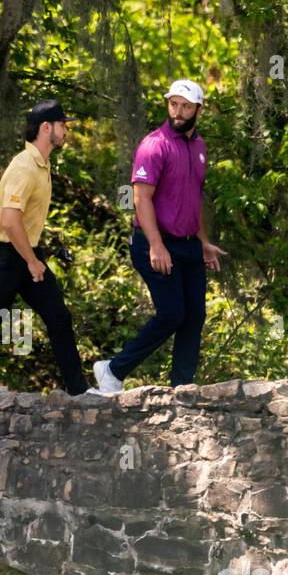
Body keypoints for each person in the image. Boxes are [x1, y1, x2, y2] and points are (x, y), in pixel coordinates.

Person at [91, 79, 228, 394]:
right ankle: (112, 370)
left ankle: (182, 388)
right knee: (172, 314)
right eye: (173, 104)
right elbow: (141, 200)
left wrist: (203, 242)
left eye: (186, 106)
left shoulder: (200, 147)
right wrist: (156, 244)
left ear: (198, 110)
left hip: (188, 244)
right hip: (154, 241)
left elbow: (194, 200)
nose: (178, 112)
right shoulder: (154, 145)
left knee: (194, 317)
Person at [0, 99, 89, 395]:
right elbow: (10, 219)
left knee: (58, 317)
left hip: (25, 254)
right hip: (3, 257)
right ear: (46, 128)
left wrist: (31, 258)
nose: (66, 130)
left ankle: (79, 393)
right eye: (62, 125)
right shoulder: (25, 166)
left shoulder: (41, 164)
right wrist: (31, 260)